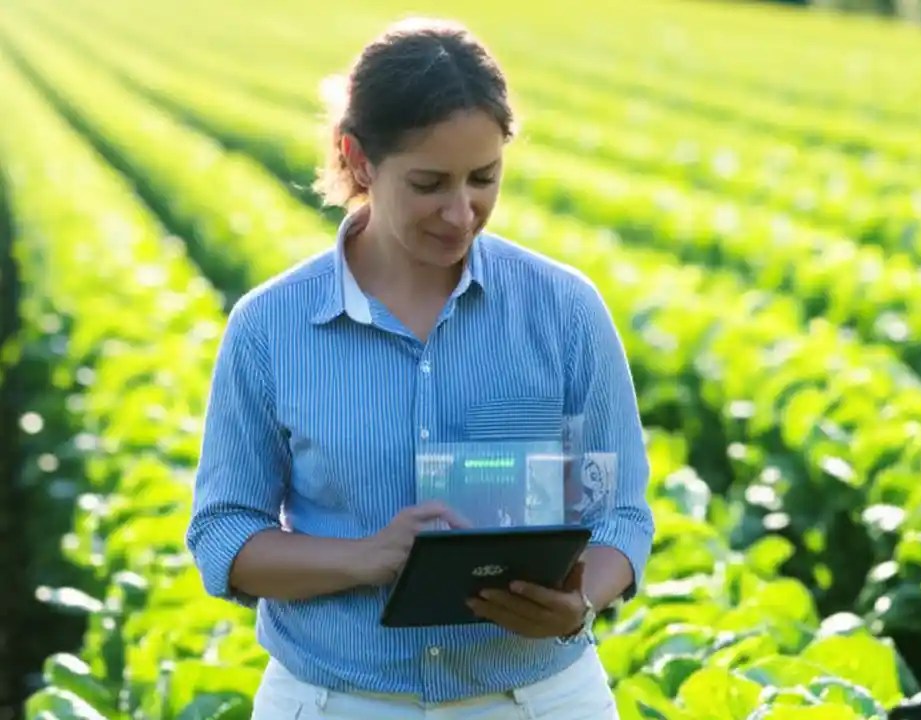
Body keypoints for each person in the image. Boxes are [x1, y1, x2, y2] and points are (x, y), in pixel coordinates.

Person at [184, 15, 654, 720]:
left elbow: (621, 513)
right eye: (430, 183)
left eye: (484, 179)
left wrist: (579, 601)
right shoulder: (269, 327)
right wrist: (368, 558)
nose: (461, 213)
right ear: (359, 160)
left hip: (537, 698)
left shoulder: (563, 310)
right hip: (336, 699)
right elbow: (225, 534)